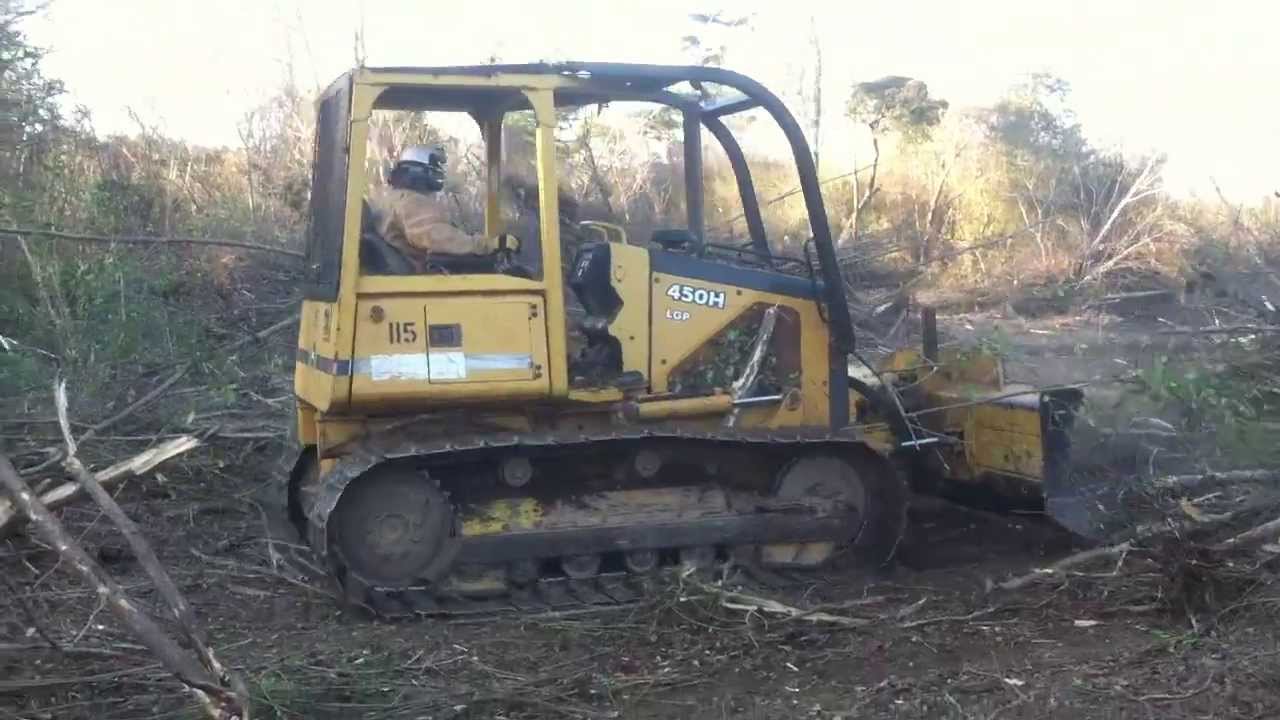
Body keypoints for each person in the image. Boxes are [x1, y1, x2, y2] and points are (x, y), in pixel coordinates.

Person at [365, 144, 518, 272]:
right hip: (419, 281)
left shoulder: (393, 198)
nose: (438, 173)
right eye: (434, 168)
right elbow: (436, 237)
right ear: (418, 171)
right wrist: (488, 245)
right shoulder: (411, 201)